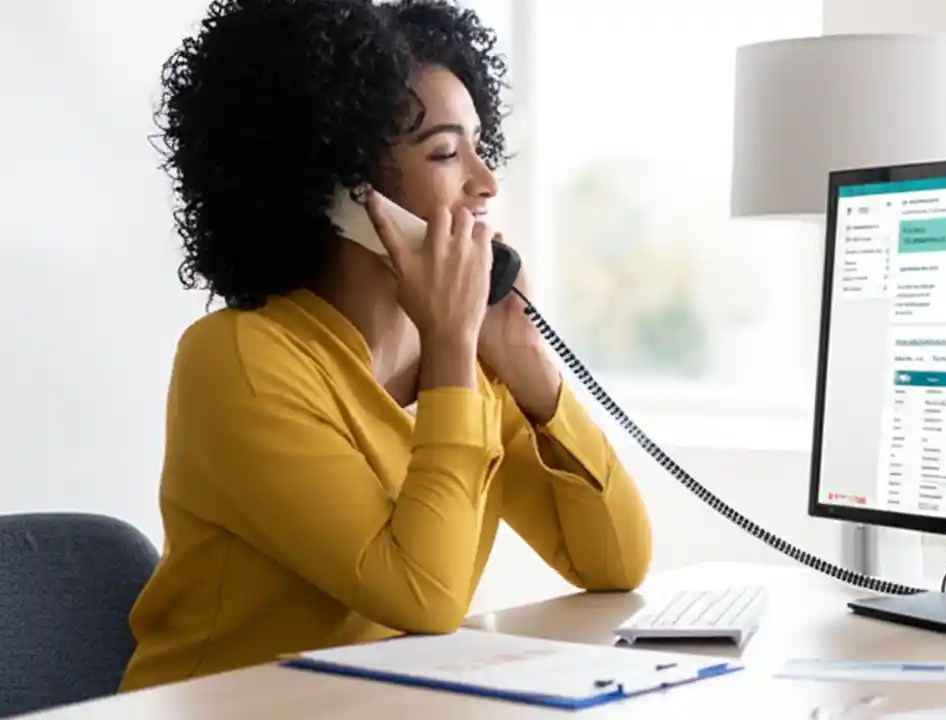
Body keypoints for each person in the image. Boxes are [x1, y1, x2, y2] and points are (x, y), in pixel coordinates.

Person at [118, 0, 652, 691]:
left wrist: (528, 369)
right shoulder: (239, 361)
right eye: (444, 152)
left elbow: (616, 562)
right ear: (341, 189)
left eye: (480, 146)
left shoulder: (470, 360)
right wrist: (454, 349)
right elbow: (424, 594)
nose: (486, 182)